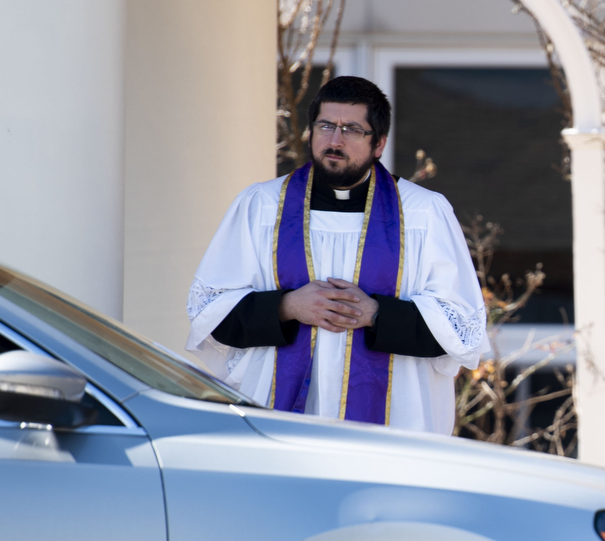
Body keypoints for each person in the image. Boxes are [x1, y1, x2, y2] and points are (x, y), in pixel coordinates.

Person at [185, 76, 485, 433]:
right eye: (325, 126)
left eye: (352, 130)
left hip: (393, 426)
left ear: (379, 143)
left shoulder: (424, 213)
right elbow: (212, 315)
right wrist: (287, 307)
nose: (335, 140)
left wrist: (376, 314)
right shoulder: (261, 206)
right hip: (276, 424)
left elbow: (459, 328)